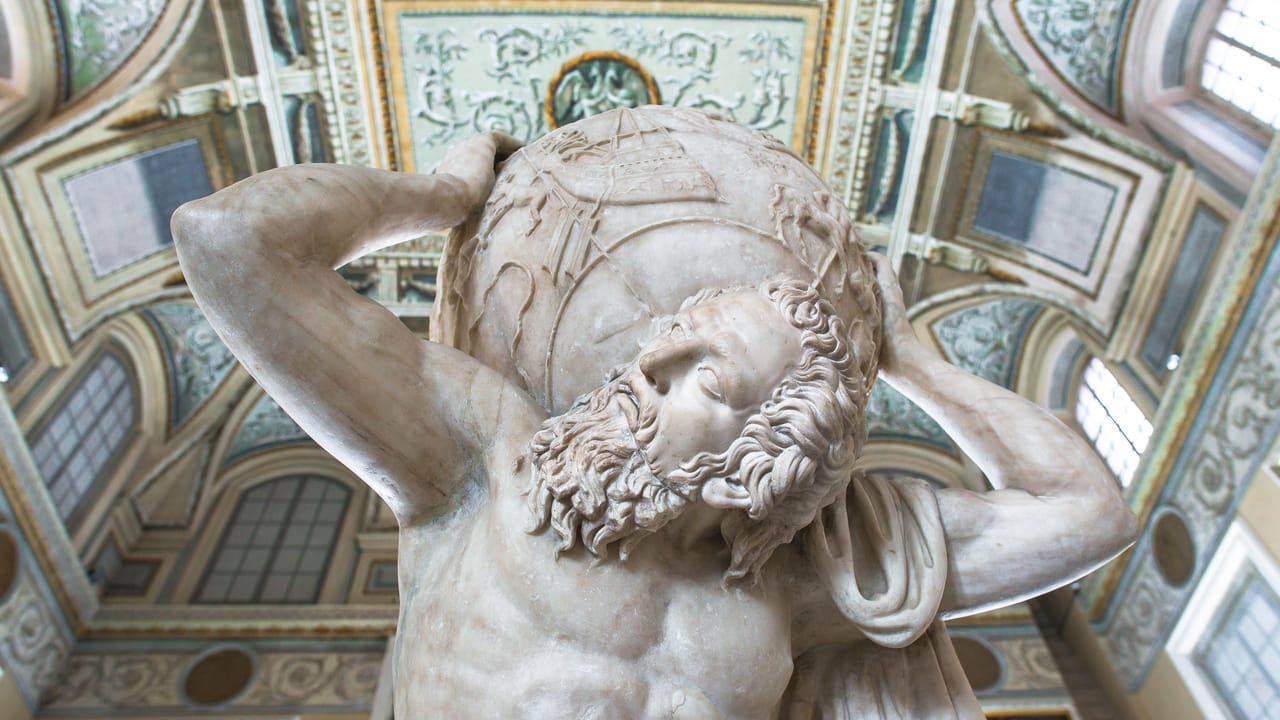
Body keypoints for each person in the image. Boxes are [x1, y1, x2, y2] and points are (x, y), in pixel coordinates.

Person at [172, 131, 1138, 718]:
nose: (650, 365)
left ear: (760, 469)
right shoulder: (482, 461)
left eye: (703, 374)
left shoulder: (800, 589)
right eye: (672, 342)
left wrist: (913, 357)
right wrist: (446, 196)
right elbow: (231, 242)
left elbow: (1090, 513)